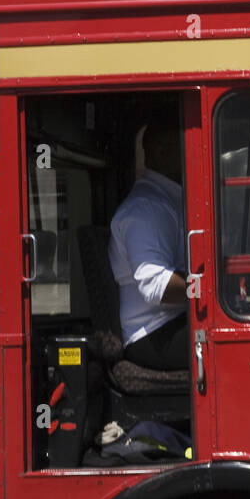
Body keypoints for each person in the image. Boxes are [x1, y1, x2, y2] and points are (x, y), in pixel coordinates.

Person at [108, 116, 189, 370]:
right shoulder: (147, 208)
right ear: (160, 151)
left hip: (172, 322)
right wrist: (216, 290)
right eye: (185, 144)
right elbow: (156, 285)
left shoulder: (165, 199)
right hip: (153, 336)